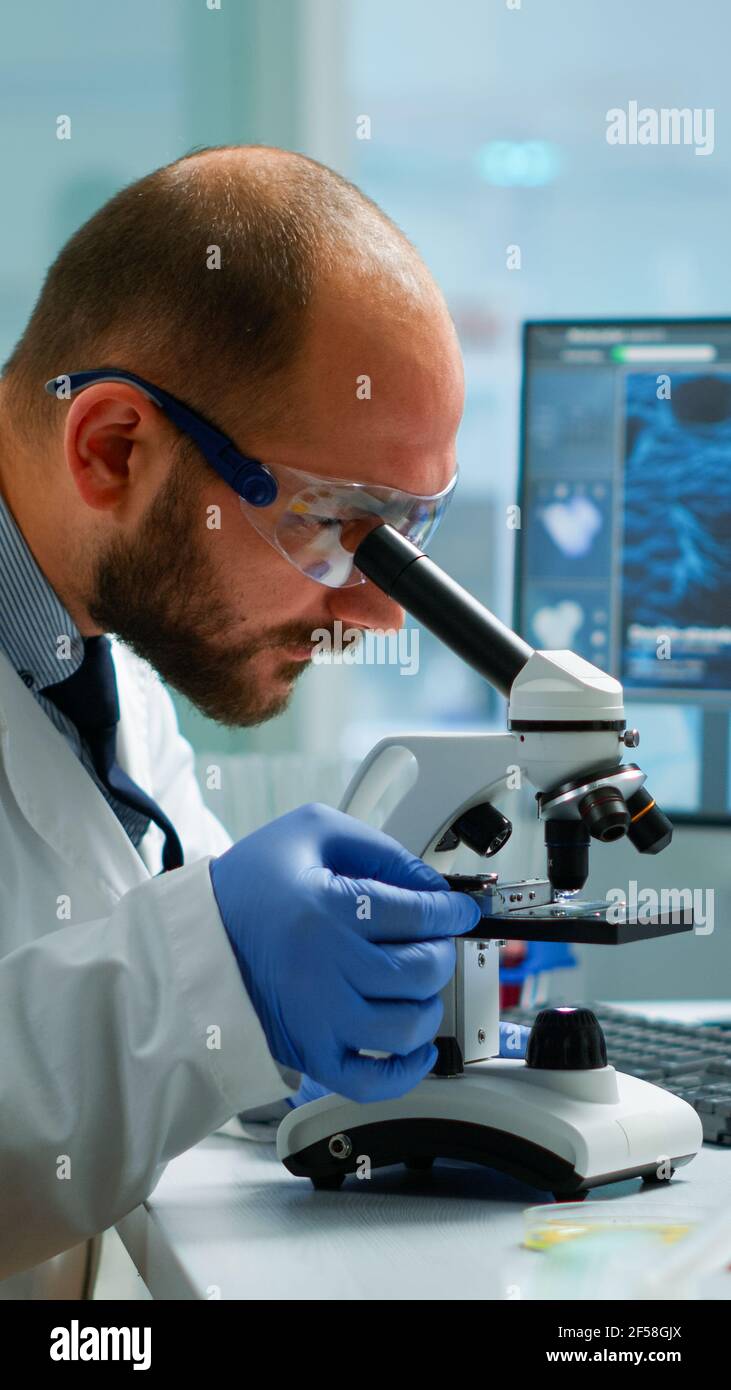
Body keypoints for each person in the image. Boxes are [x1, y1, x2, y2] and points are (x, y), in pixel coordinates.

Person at [0, 145, 525, 1298]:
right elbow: (173, 979)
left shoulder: (94, 670)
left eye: (409, 533)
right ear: (113, 449)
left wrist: (350, 983)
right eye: (337, 523)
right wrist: (212, 975)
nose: (379, 607)